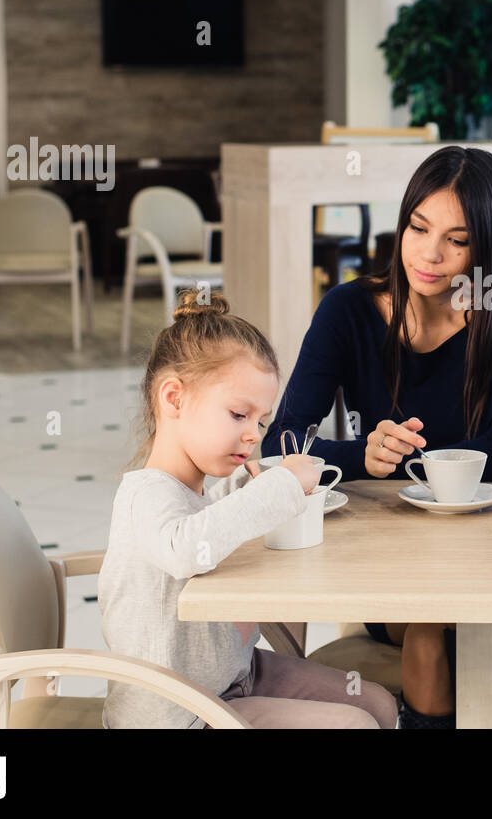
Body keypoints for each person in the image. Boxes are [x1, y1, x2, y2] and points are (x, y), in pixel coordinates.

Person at [263, 145, 492, 727]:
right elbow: (279, 444)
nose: (430, 254)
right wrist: (362, 454)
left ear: (484, 247)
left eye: (457, 240)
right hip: (399, 561)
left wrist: (408, 457)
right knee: (438, 631)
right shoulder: (348, 311)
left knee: (464, 627)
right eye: (418, 227)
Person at [99, 288, 398, 728]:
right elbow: (185, 548)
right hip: (179, 712)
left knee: (377, 704)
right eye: (239, 415)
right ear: (174, 398)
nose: (253, 435)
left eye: (261, 421)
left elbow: (211, 522)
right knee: (355, 724)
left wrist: (246, 484)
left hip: (236, 675)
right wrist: (274, 489)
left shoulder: (197, 494)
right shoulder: (145, 493)